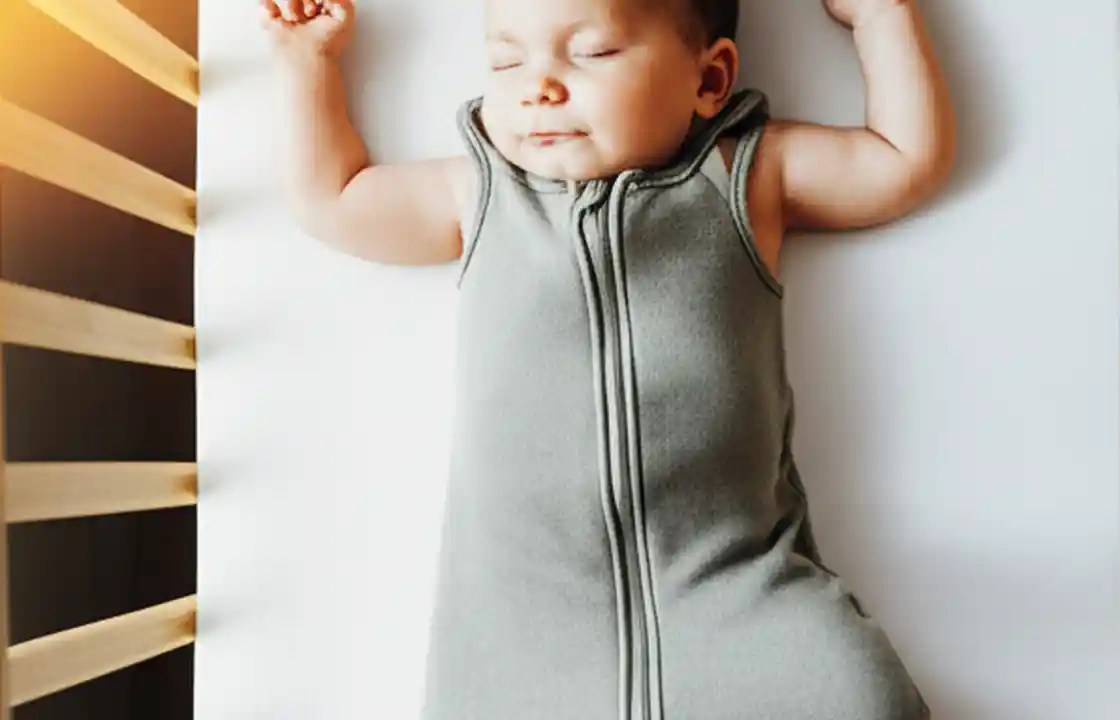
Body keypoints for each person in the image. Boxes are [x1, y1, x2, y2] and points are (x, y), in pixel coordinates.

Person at [261, 0, 954, 717]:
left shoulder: (745, 173)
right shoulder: (482, 194)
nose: (537, 87)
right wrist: (306, 63)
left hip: (733, 589)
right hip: (527, 636)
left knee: (861, 697)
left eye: (590, 54)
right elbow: (333, 198)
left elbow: (903, 159)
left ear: (709, 80)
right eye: (506, 61)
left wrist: (880, 16)